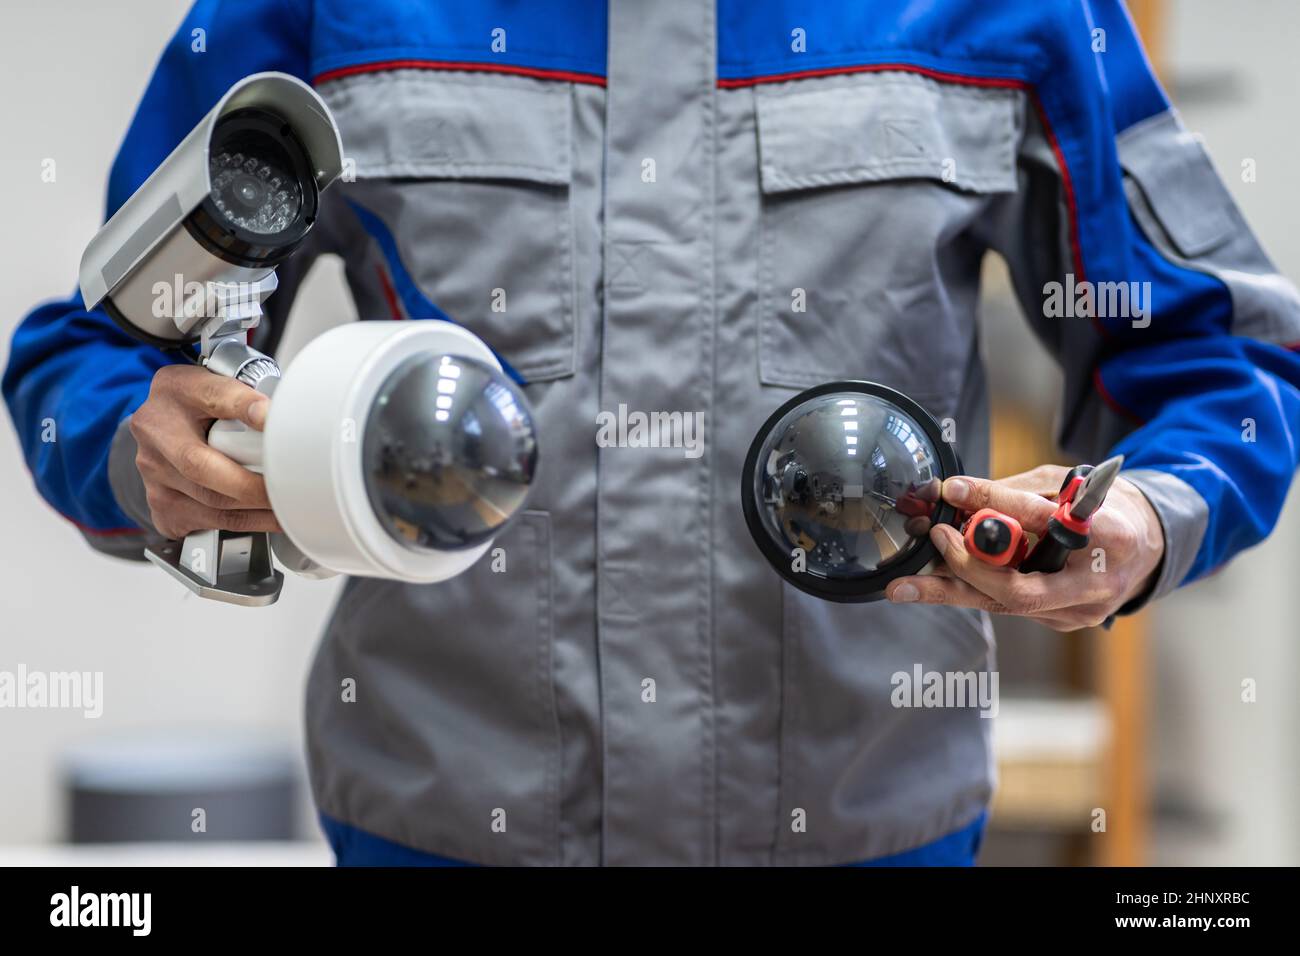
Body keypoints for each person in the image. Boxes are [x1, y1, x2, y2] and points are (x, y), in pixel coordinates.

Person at [6, 0, 1299, 866]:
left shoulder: (1012, 15)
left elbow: (1221, 364)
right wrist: (142, 441)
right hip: (439, 834)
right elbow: (96, 356)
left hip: (870, 843)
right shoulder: (333, 11)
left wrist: (1138, 521)